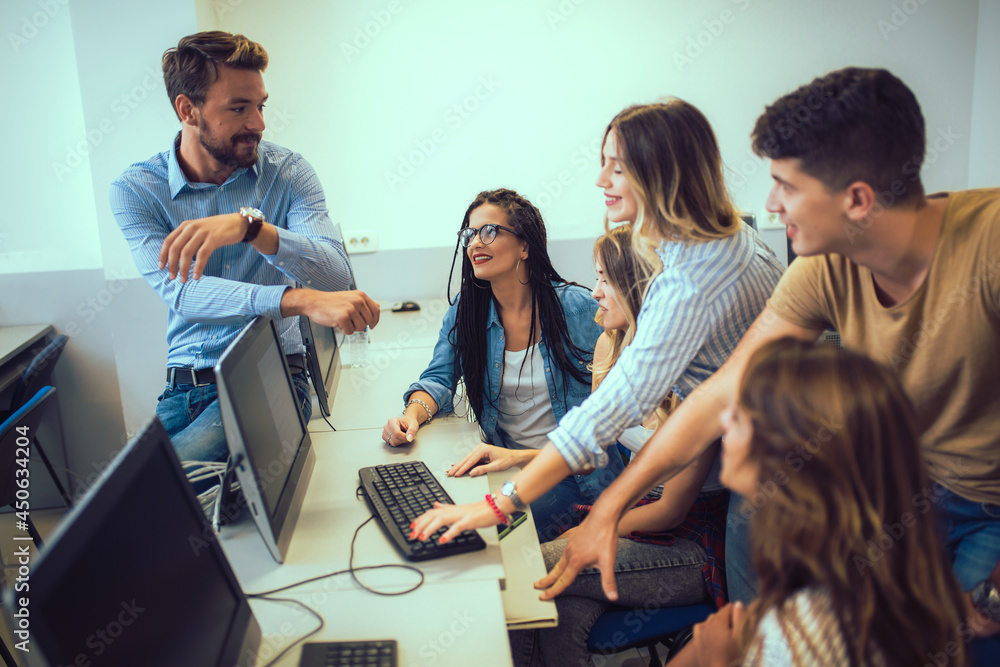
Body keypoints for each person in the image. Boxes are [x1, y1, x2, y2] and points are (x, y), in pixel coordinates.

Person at [540, 66, 1000, 624]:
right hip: (900, 490)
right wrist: (609, 508)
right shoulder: (824, 264)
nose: (771, 204)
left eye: (787, 185)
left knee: (964, 636)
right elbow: (718, 394)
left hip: (987, 507)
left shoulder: (988, 247)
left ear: (856, 199)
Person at [409, 100, 784, 564]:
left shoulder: (688, 282)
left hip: (771, 477)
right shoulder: (718, 246)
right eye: (602, 163)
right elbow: (694, 412)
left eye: (618, 167)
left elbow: (613, 410)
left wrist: (502, 504)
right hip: (740, 464)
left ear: (663, 172)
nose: (601, 180)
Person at [110, 31, 379, 483]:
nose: (258, 123)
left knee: (151, 492)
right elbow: (184, 293)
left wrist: (254, 229)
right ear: (187, 110)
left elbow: (336, 279)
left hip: (273, 377)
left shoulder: (288, 172)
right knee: (134, 500)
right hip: (184, 385)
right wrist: (294, 300)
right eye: (238, 108)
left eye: (261, 105)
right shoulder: (137, 190)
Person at [670, 338, 970, 667]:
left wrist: (714, 660)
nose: (725, 419)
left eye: (742, 413)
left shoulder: (802, 636)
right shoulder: (850, 588)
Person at [509, 224, 730, 666]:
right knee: (557, 617)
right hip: (637, 519)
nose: (594, 292)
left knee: (524, 570)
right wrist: (515, 457)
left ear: (640, 283)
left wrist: (597, 528)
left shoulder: (692, 372)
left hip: (687, 546)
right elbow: (596, 448)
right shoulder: (612, 346)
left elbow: (672, 510)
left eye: (606, 279)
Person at [380, 188, 616, 540]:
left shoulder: (580, 309)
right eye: (470, 234)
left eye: (489, 231)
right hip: (504, 465)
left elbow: (614, 423)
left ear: (524, 246)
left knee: (492, 532)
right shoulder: (467, 311)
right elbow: (439, 380)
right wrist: (410, 417)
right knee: (447, 514)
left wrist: (515, 459)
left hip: (575, 477)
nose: (476, 242)